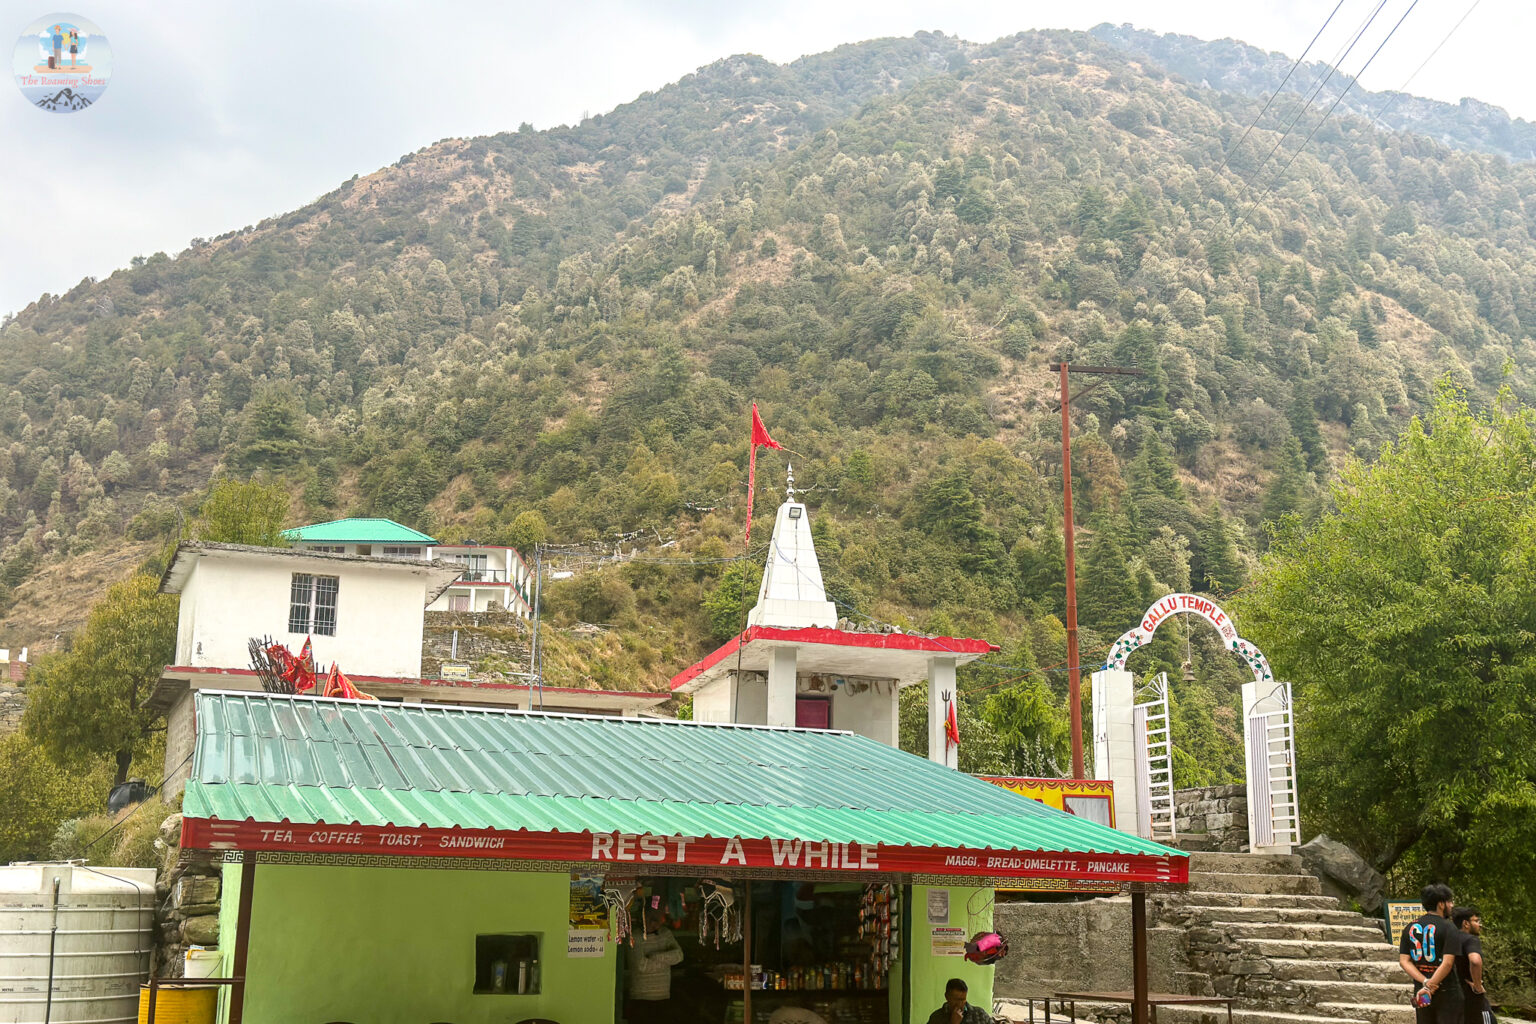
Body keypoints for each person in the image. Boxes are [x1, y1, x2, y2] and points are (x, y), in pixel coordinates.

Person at [1399, 883, 1466, 1024]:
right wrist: (1431, 986)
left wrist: (1425, 982)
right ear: (1441, 904)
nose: (1452, 905)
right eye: (1450, 901)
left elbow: (1404, 961)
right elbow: (1447, 963)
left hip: (1422, 993)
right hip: (1447, 992)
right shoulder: (1449, 927)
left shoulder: (1410, 927)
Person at [624, 908, 683, 1024]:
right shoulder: (635, 937)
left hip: (663, 997)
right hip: (641, 999)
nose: (654, 924)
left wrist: (654, 956)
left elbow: (679, 956)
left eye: (657, 920)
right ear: (643, 918)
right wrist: (667, 960)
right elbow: (642, 966)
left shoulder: (665, 933)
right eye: (651, 919)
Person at [1452, 906, 1493, 1024]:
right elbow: (1475, 961)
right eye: (1476, 921)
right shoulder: (1471, 940)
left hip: (1453, 993)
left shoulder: (1449, 940)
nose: (1479, 924)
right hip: (1472, 994)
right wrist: (1478, 986)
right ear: (1466, 923)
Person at [927, 977, 992, 1024]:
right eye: (956, 1000)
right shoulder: (936, 1018)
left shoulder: (979, 1014)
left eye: (963, 999)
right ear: (946, 997)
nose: (959, 1004)